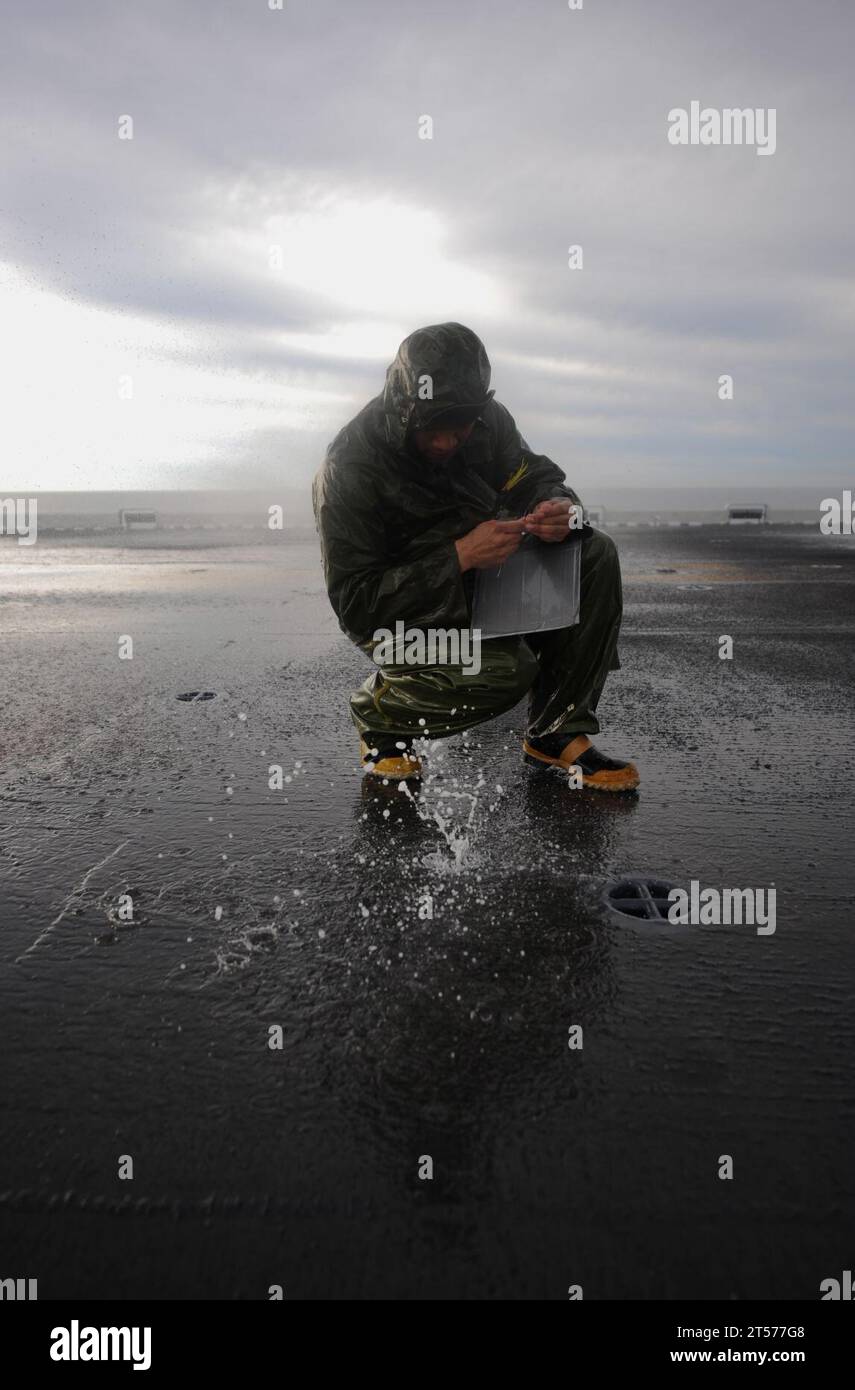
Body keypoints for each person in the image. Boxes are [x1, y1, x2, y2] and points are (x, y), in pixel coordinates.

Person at [312, 322, 639, 792]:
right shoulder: (349, 467)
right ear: (404, 407)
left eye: (460, 426)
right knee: (504, 671)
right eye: (433, 428)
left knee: (593, 552)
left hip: (480, 589)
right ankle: (379, 715)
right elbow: (358, 605)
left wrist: (557, 508)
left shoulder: (489, 422)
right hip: (401, 621)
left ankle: (555, 731)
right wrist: (459, 557)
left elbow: (533, 476)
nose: (447, 441)